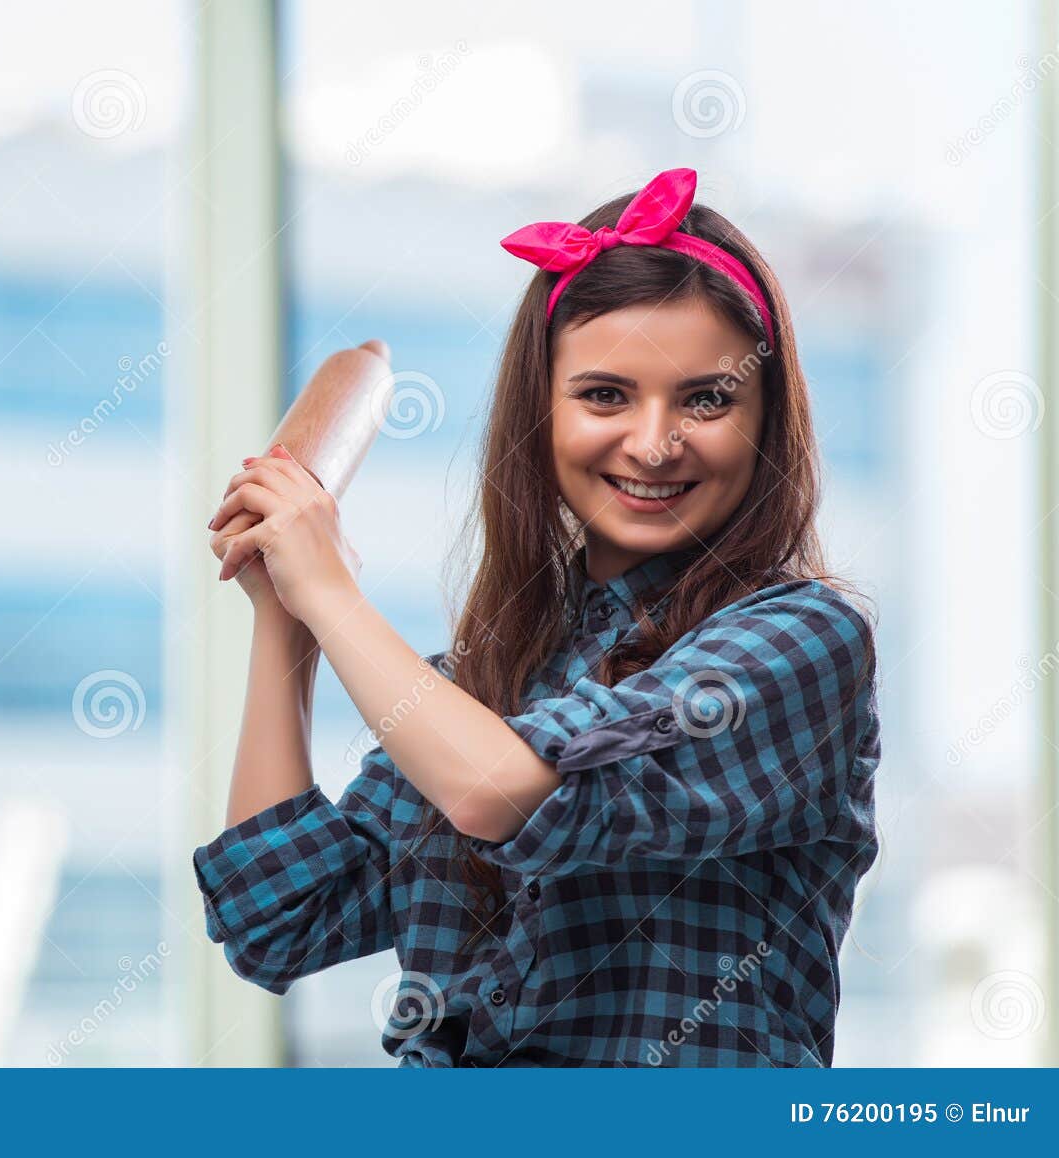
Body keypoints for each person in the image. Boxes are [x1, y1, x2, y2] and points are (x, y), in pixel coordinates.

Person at [194, 167, 880, 1067]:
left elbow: (503, 792)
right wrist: (287, 615)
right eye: (605, 395)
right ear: (539, 414)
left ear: (766, 420)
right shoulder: (474, 691)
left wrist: (330, 592)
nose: (654, 443)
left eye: (707, 398)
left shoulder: (803, 641)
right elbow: (279, 918)